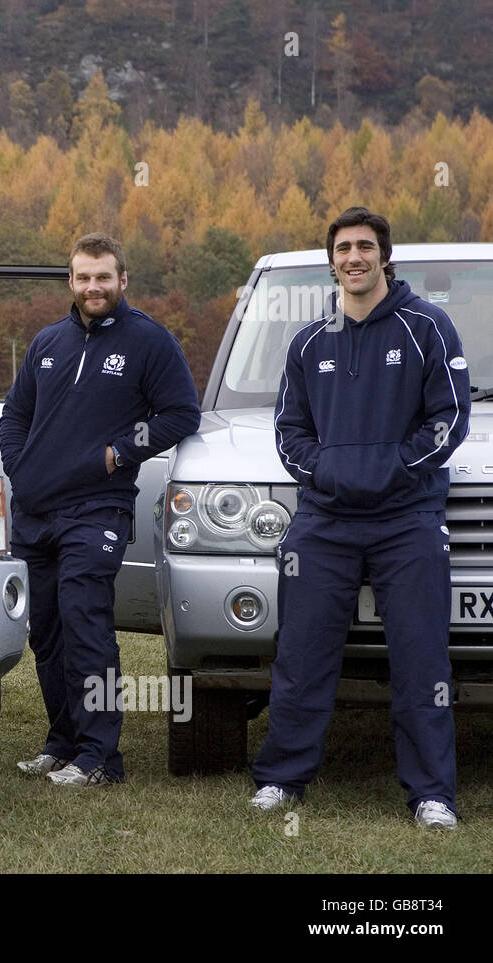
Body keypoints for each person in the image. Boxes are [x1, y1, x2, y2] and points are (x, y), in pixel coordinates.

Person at [251, 207, 468, 829]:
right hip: (324, 522)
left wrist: (390, 470)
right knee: (301, 651)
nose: (354, 257)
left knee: (422, 659)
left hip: (408, 519)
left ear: (384, 256)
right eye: (344, 247)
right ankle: (282, 780)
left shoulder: (427, 327)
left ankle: (432, 794)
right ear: (332, 261)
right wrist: (326, 474)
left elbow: (448, 421)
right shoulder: (309, 343)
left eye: (365, 246)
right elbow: (289, 430)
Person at [1, 232, 199, 787]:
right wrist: (21, 464)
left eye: (103, 277)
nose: (93, 287)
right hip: (36, 512)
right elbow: (15, 413)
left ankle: (99, 757)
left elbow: (181, 413)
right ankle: (61, 743)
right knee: (47, 631)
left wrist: (118, 452)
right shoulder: (47, 342)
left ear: (122, 280)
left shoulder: (149, 342)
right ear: (71, 281)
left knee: (86, 622)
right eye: (83, 277)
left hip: (98, 509)